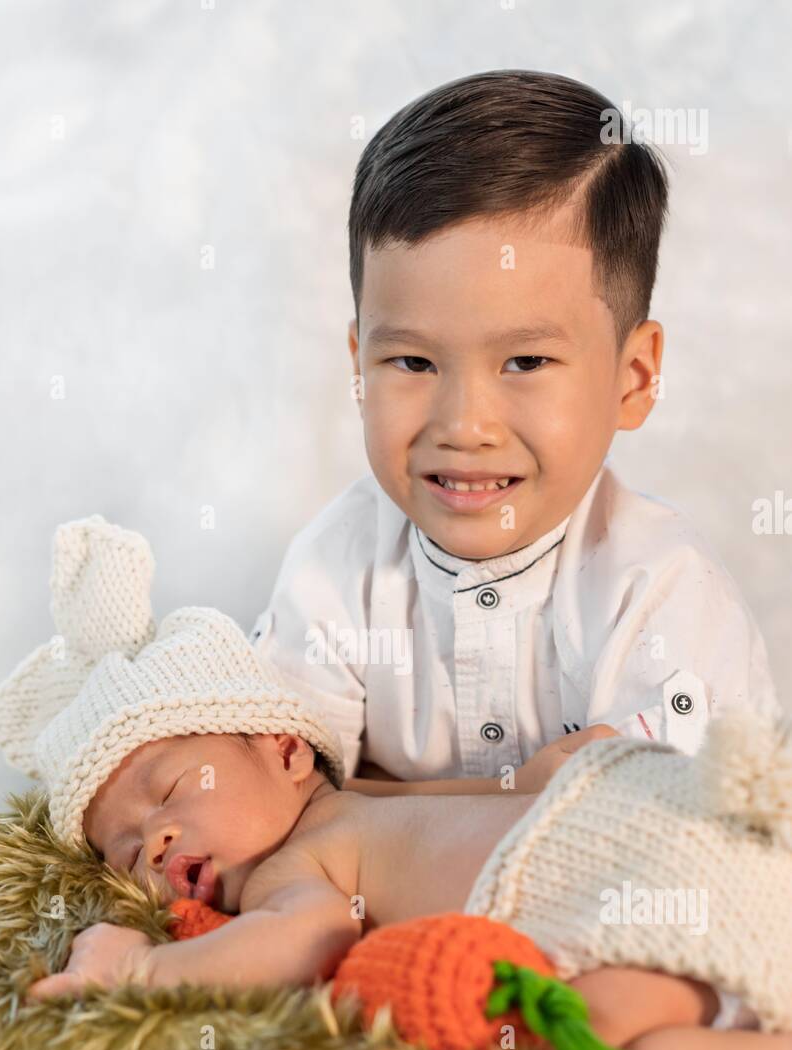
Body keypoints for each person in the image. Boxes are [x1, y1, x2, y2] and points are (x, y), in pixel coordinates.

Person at [0, 518, 792, 1050]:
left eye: (168, 792)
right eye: (126, 853)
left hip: (617, 846)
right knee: (623, 1049)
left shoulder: (304, 861)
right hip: (632, 889)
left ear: (284, 748)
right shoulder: (324, 844)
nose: (153, 843)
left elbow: (305, 937)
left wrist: (139, 971)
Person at [248, 70, 781, 795]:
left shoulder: (660, 595)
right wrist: (516, 799)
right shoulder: (333, 574)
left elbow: (670, 854)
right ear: (358, 365)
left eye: (525, 361)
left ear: (633, 378)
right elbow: (268, 818)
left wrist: (370, 802)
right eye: (413, 361)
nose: (464, 425)